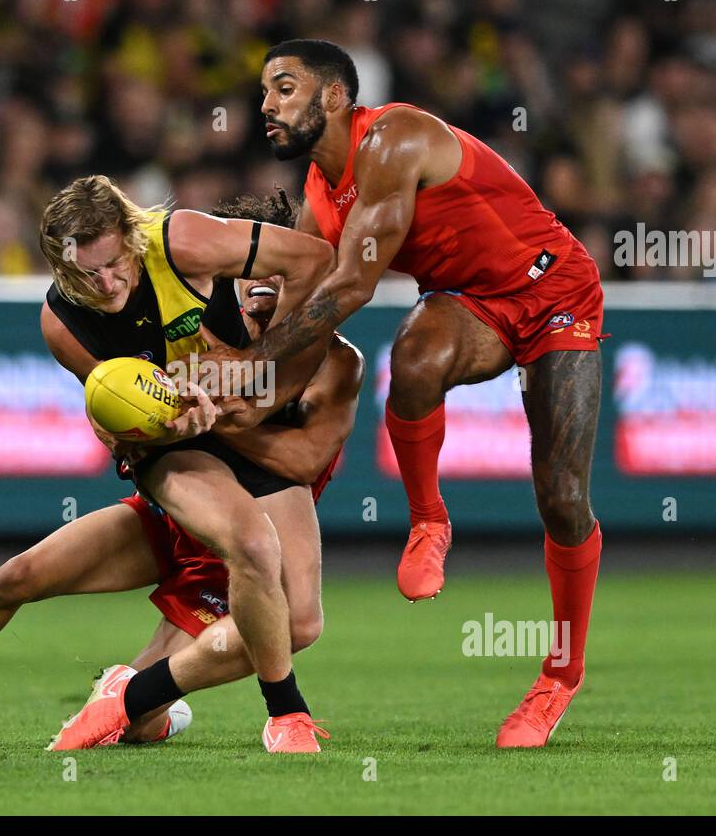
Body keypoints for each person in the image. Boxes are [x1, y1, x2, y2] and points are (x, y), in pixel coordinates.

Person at [0, 210, 363, 750]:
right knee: (21, 574)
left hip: (234, 533)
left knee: (190, 689)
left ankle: (136, 700)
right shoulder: (193, 326)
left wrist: (223, 414)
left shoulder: (334, 360)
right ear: (231, 277)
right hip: (187, 502)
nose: (266, 289)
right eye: (254, 278)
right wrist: (151, 422)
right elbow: (118, 421)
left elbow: (303, 462)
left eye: (279, 279)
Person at [207, 39, 606, 748]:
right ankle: (429, 520)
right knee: (415, 358)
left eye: (285, 89)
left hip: (556, 293)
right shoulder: (318, 199)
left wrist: (249, 366)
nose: (266, 105)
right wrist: (239, 400)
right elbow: (304, 331)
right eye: (265, 91)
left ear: (334, 97)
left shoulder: (392, 139)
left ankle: (559, 677)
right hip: (473, 305)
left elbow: (351, 287)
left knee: (563, 497)